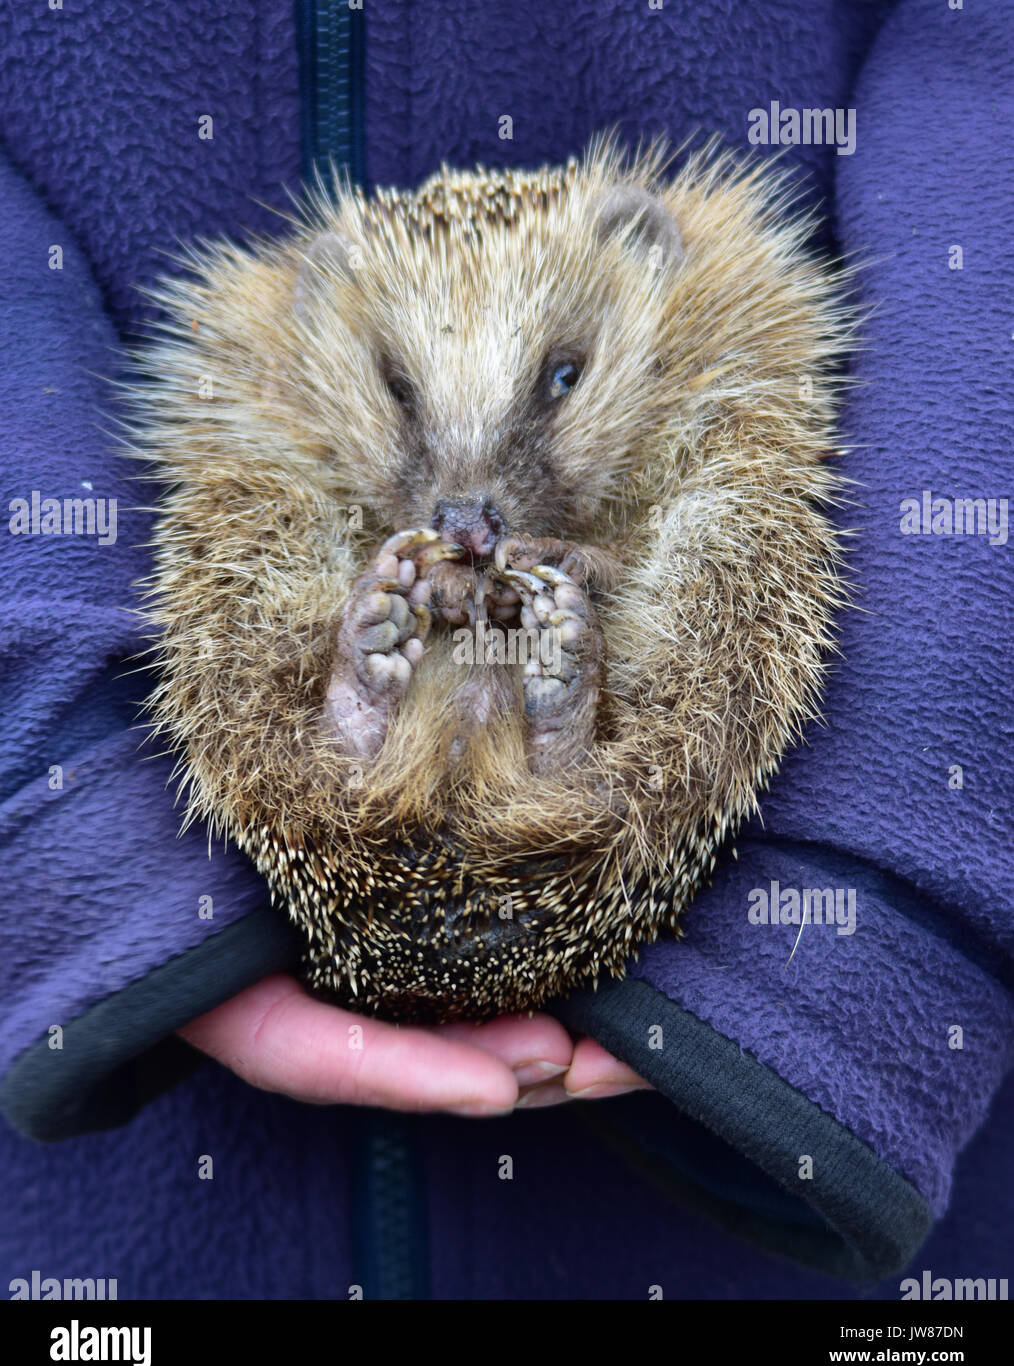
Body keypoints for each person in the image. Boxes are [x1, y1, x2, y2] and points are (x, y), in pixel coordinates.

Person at [2, 0, 1011, 1298]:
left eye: (552, 386)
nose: (468, 490)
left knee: (711, 550)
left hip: (764, 1148)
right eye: (409, 402)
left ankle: (465, 707)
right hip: (138, 1212)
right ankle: (483, 705)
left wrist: (888, 880)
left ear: (642, 277)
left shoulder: (698, 323)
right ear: (326, 335)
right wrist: (60, 805)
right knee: (282, 595)